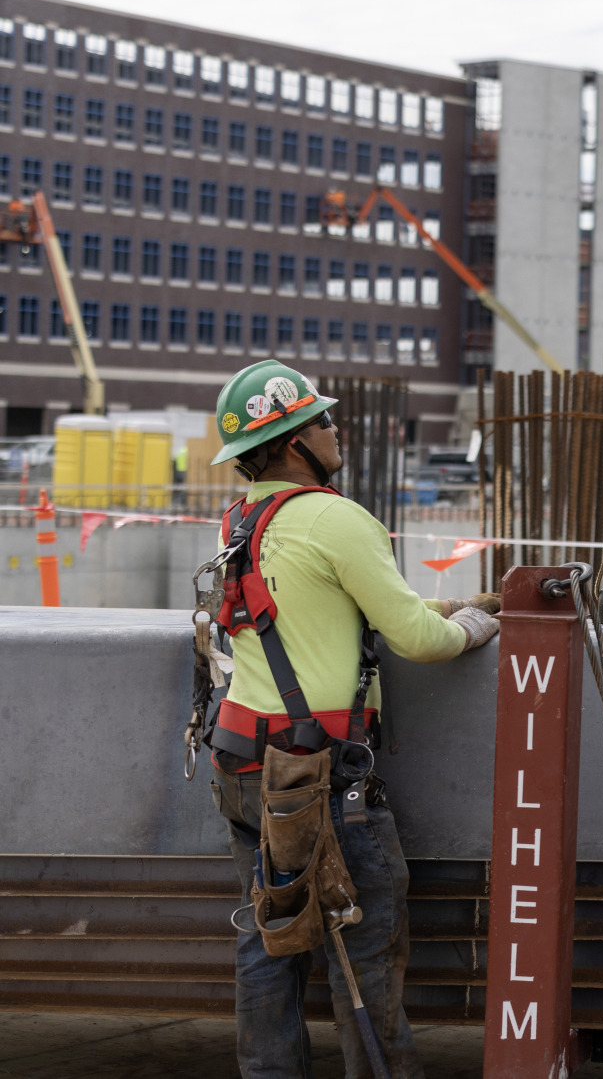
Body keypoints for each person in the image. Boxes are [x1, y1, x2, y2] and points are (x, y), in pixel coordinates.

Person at [201, 359, 500, 1078]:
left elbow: (335, 607)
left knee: (270, 934)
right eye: (323, 421)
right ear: (293, 443)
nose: (336, 430)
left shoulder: (243, 521)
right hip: (317, 775)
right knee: (362, 941)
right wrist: (476, 625)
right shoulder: (338, 519)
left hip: (243, 761)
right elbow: (420, 641)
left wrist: (448, 602)